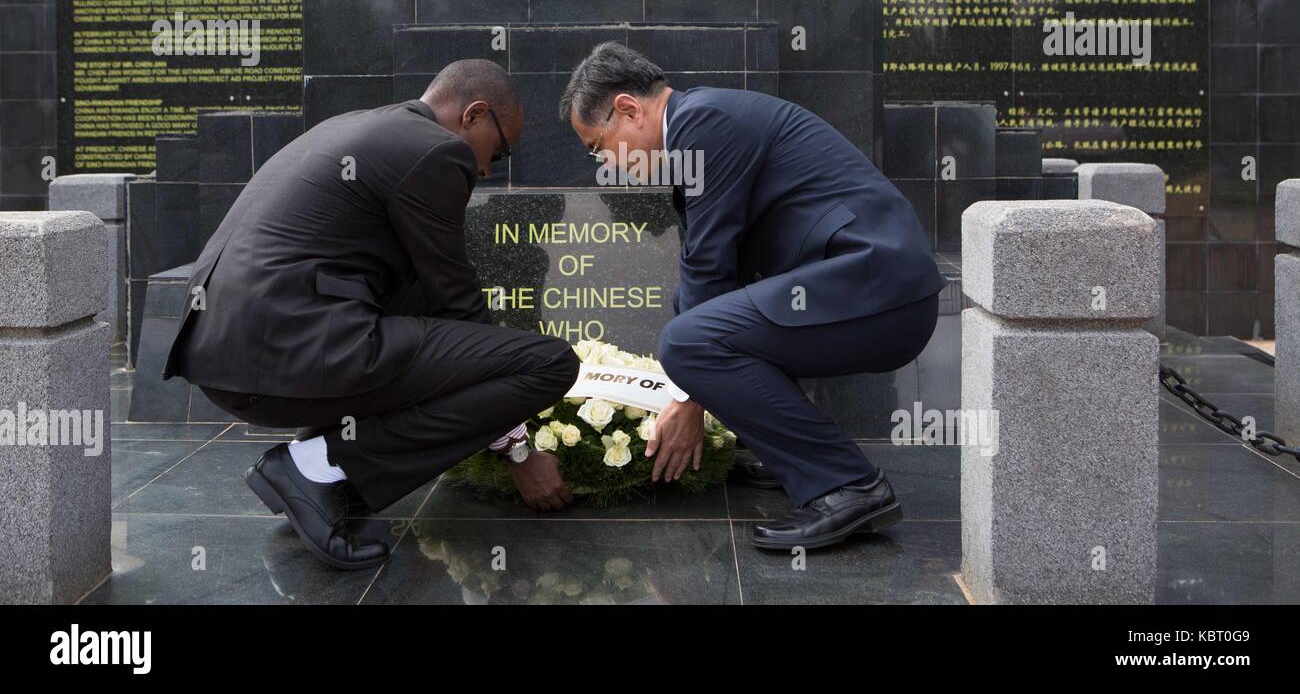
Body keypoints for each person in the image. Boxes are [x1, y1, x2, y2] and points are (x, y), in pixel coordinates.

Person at [163, 59, 578, 569]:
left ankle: (325, 461)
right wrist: (518, 449)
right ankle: (316, 466)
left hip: (227, 354)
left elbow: (418, 294)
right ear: (474, 114)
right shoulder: (436, 151)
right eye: (501, 149)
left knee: (423, 328)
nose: (490, 167)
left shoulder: (353, 126)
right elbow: (457, 300)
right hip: (285, 351)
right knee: (548, 363)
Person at [561, 42, 947, 550]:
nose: (604, 162)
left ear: (628, 109)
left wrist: (685, 393)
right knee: (705, 335)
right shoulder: (700, 125)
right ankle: (792, 456)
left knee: (687, 343)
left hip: (880, 287)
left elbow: (708, 267)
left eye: (596, 146)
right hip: (868, 292)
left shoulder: (704, 123)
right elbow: (716, 271)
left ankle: (847, 485)